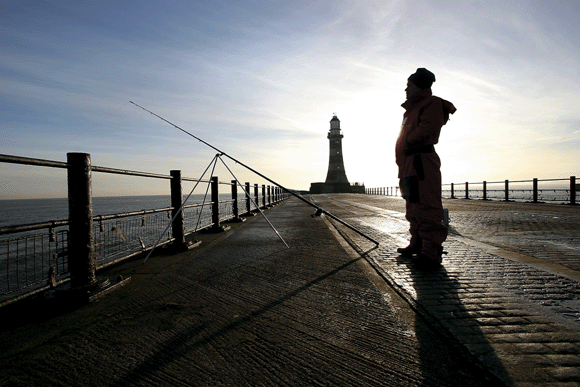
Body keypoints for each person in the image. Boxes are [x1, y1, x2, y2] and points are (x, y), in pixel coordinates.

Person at [395, 68, 456, 270]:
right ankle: (417, 244)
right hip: (409, 163)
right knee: (412, 207)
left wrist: (407, 142)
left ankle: (431, 253)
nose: (405, 89)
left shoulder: (431, 103)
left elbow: (428, 129)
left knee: (427, 206)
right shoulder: (411, 110)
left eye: (409, 85)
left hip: (421, 161)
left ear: (419, 86)